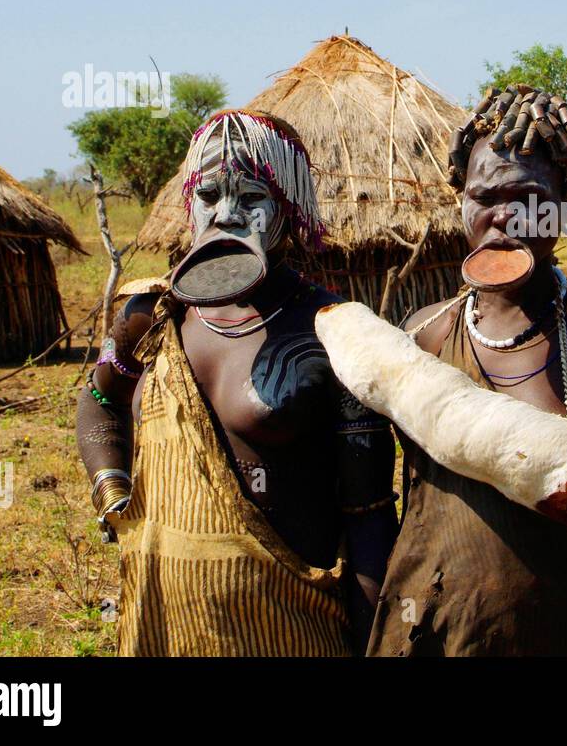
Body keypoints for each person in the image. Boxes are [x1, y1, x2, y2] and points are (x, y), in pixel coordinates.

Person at [76, 109, 397, 655]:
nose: (225, 214)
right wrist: (113, 492)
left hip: (289, 630)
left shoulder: (333, 332)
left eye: (251, 198)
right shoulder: (151, 316)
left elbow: (368, 517)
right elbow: (101, 399)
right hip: (161, 625)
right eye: (209, 195)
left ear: (290, 211)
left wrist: (373, 643)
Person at [366, 85, 567, 656]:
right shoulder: (424, 334)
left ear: (565, 206)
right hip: (441, 631)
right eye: (485, 196)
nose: (504, 216)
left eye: (530, 196)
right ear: (461, 203)